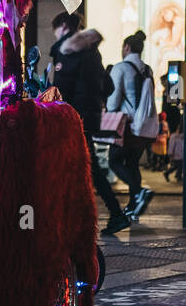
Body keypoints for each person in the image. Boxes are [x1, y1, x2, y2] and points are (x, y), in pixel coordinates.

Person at [50, 12, 133, 235]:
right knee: (85, 167)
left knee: (77, 168)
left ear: (64, 27)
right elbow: (108, 88)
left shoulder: (65, 52)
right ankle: (107, 215)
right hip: (88, 118)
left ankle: (102, 216)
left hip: (72, 118)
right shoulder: (92, 53)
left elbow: (60, 90)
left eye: (56, 30)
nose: (55, 34)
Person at [106, 30, 157, 219]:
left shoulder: (120, 68)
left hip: (126, 126)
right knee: (133, 163)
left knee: (114, 161)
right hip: (145, 125)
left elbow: (113, 102)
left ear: (127, 47)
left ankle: (139, 192)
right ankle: (134, 207)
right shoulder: (147, 69)